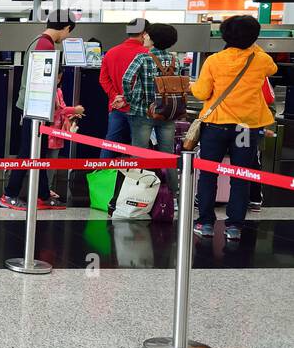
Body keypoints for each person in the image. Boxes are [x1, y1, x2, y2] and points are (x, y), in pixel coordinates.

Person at [190, 14, 277, 241]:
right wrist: (252, 45)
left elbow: (200, 93)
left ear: (225, 35)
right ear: (254, 37)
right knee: (241, 176)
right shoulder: (260, 60)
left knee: (208, 174)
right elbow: (273, 69)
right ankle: (234, 227)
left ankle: (205, 223)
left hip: (216, 126)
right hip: (246, 127)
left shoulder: (214, 61)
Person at [0, 19, 84, 210]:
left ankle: (42, 195)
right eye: (68, 32)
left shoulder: (37, 40)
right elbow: (43, 80)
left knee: (35, 152)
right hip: (36, 107)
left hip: (32, 106)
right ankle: (10, 194)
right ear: (66, 28)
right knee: (28, 152)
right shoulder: (45, 45)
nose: (66, 36)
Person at [121, 22, 181, 196]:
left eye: (147, 35)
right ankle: (174, 196)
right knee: (167, 155)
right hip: (167, 113)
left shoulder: (142, 57)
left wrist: (131, 98)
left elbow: (126, 79)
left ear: (153, 39)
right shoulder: (174, 59)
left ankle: (137, 194)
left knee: (139, 154)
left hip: (142, 112)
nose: (144, 37)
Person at [99, 18, 149, 158]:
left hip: (117, 108)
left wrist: (115, 96)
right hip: (140, 111)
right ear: (144, 33)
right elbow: (146, 83)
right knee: (138, 149)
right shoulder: (146, 54)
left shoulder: (111, 52)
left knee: (110, 144)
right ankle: (135, 179)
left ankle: (100, 176)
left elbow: (103, 79)